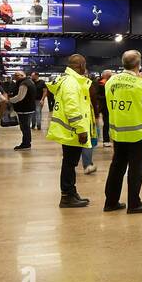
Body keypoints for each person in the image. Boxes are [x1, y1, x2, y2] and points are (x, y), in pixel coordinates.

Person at [103, 50, 142, 214]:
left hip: (118, 131)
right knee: (136, 168)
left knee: (117, 166)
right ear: (138, 65)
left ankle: (110, 202)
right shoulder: (140, 84)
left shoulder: (111, 81)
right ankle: (134, 203)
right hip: (138, 132)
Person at [48, 55, 96, 208]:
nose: (85, 67)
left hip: (70, 130)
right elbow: (72, 108)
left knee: (70, 162)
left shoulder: (70, 80)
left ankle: (71, 192)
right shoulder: (71, 83)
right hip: (73, 130)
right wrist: (81, 130)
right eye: (84, 64)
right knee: (69, 163)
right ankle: (67, 196)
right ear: (80, 65)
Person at [8, 70, 39, 150]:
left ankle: (26, 144)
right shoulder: (30, 82)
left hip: (24, 109)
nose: (16, 77)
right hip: (28, 108)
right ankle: (27, 142)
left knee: (24, 127)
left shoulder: (24, 84)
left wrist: (10, 100)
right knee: (26, 127)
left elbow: (20, 97)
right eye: (15, 75)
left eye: (18, 75)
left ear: (23, 75)